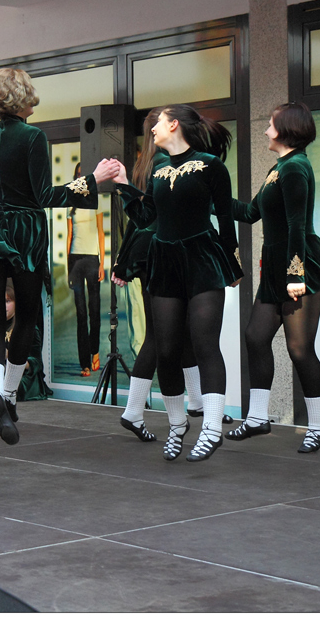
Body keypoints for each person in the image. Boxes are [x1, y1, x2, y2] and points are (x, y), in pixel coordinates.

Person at [0, 68, 119, 446]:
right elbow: (44, 195)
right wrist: (92, 180)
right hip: (26, 234)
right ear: (23, 97)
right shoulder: (33, 137)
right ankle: (8, 394)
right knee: (27, 314)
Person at [113, 104, 242, 462]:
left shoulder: (211, 165)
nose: (151, 129)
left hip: (203, 262)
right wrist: (124, 186)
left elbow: (227, 219)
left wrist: (231, 265)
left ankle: (212, 428)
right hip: (164, 264)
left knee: (204, 345)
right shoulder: (156, 168)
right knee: (167, 350)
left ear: (173, 125)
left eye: (156, 123)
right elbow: (146, 217)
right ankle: (178, 425)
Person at [225, 102, 320, 453]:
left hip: (300, 266)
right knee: (256, 337)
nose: (265, 130)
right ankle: (258, 418)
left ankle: (318, 427)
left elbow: (297, 226)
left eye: (270, 124)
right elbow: (249, 213)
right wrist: (211, 196)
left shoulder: (295, 168)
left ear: (286, 128)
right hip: (278, 268)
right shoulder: (279, 169)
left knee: (299, 349)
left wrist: (295, 275)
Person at [66, 166, 105, 377]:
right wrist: (68, 267)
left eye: (84, 174)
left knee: (94, 310)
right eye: (78, 174)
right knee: (81, 314)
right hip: (76, 261)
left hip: (92, 259)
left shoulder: (96, 203)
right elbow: (69, 237)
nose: (82, 177)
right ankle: (84, 363)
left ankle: (95, 351)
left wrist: (102, 263)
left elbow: (101, 234)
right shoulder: (71, 205)